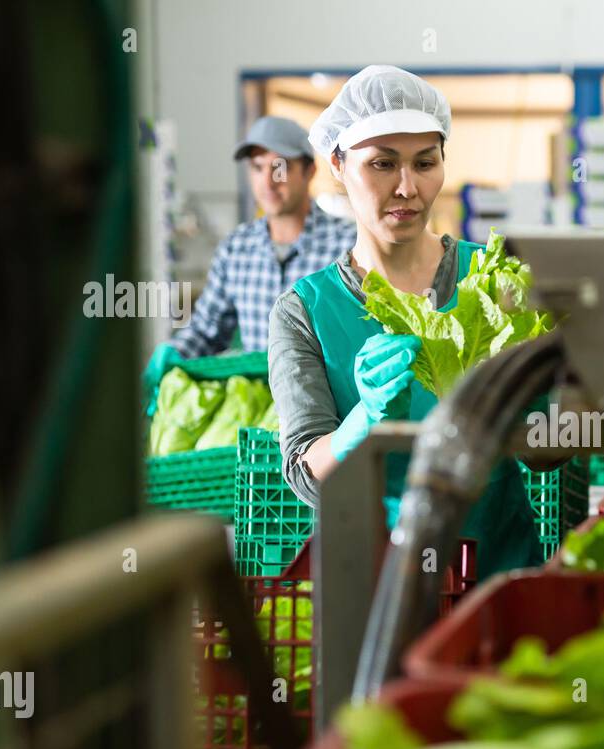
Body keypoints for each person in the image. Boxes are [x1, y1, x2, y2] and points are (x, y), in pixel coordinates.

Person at [266, 65, 539, 576]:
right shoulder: (304, 310)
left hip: (497, 572)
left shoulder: (493, 279)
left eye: (424, 162)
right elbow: (306, 474)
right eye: (383, 164)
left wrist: (536, 409)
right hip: (376, 584)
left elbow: (548, 457)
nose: (407, 188)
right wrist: (361, 423)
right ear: (338, 165)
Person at [142, 116, 355, 392]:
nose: (268, 181)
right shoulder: (236, 250)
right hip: (257, 412)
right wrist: (172, 355)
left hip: (330, 409)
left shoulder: (346, 245)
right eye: (257, 167)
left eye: (280, 166)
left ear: (309, 172)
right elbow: (207, 331)